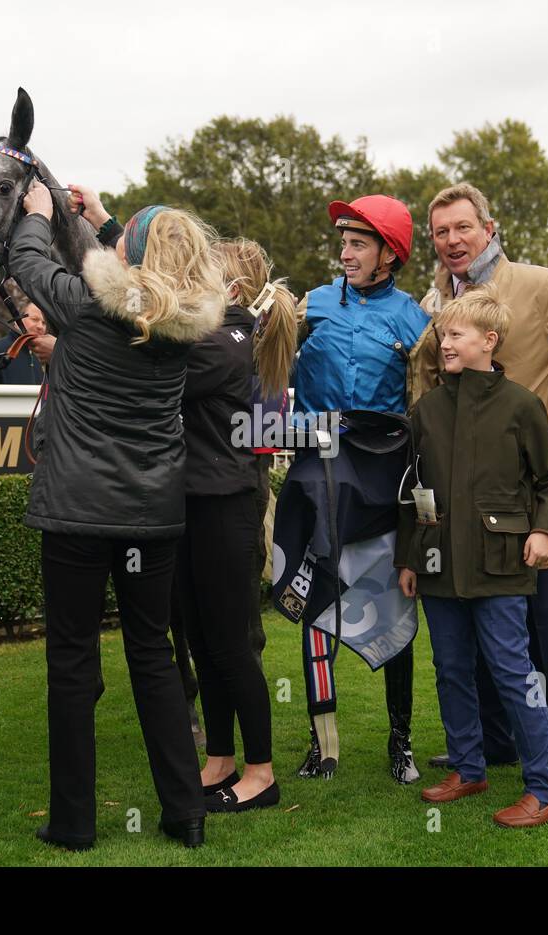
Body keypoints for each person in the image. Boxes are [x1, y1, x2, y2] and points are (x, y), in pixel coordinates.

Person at [10, 180, 226, 850]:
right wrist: (106, 221)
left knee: (72, 662)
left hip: (77, 510)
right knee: (154, 656)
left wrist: (39, 216)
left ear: (133, 252)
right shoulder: (183, 321)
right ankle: (184, 811)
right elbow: (138, 282)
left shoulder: (83, 305)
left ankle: (73, 823)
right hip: (152, 512)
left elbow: (26, 264)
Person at [408, 182, 548, 799]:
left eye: (462, 228)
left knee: (545, 630)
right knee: (474, 630)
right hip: (459, 507)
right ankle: (492, 744)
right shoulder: (437, 301)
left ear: (489, 227)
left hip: (532, 501)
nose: (452, 241)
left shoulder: (537, 287)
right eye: (440, 232)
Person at [397, 286, 548, 828]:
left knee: (511, 671)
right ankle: (468, 768)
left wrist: (546, 532)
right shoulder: (425, 410)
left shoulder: (521, 404)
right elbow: (412, 492)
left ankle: (546, 790)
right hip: (438, 565)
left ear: (488, 341)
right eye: (443, 334)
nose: (444, 343)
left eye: (455, 334)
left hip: (501, 566)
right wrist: (409, 558)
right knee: (450, 669)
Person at [288, 194, 430, 784]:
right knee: (316, 603)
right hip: (318, 471)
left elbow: (426, 406)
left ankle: (401, 741)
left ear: (388, 256)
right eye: (343, 243)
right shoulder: (310, 305)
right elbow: (265, 375)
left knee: (394, 600)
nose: (344, 253)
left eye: (358, 244)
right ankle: (323, 744)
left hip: (384, 475)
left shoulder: (414, 319)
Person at [175, 238, 295, 814]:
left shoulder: (226, 340)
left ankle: (261, 772)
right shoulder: (218, 335)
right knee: (202, 639)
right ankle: (220, 759)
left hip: (226, 504)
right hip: (197, 502)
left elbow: (158, 368)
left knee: (229, 644)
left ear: (233, 289)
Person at [218, 239, 296, 671]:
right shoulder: (258, 335)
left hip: (234, 485)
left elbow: (263, 430)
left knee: (236, 613)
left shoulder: (250, 340)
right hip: (247, 480)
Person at [0, 286, 54, 385]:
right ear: (17, 319)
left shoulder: (41, 357)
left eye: (44, 323)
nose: (40, 326)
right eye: (34, 319)